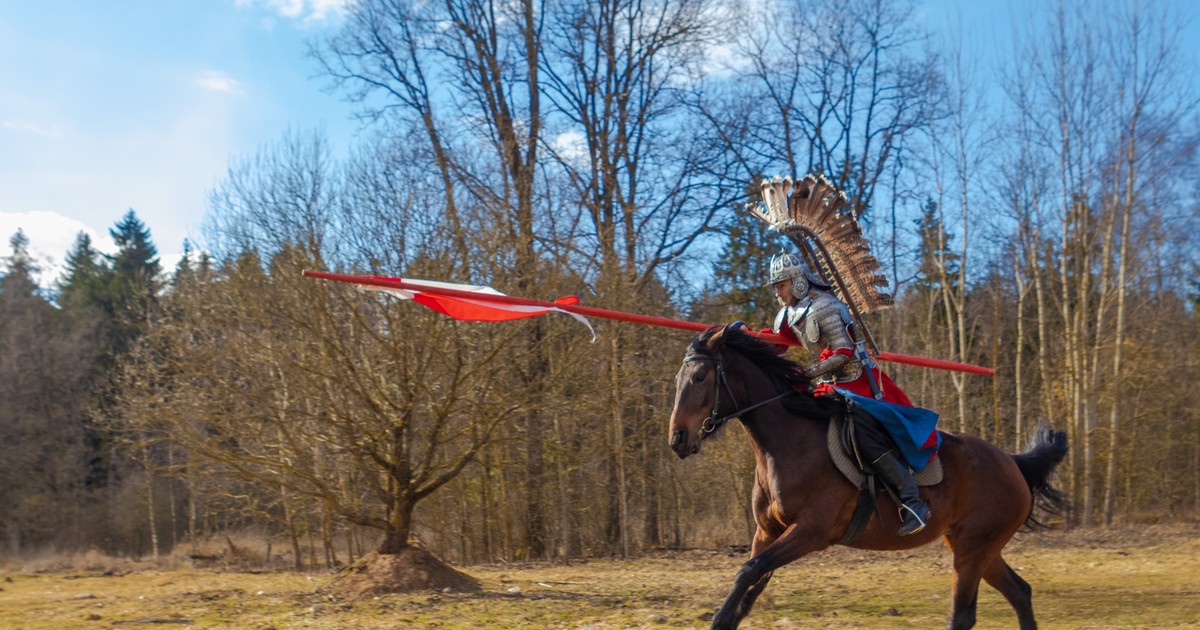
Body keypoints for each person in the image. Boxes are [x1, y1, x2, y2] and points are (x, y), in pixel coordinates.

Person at [765, 251, 932, 536]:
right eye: (776, 287)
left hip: (854, 382)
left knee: (859, 431)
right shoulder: (788, 313)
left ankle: (913, 500)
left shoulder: (827, 308)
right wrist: (742, 335)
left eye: (781, 285)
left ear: (798, 282)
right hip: (827, 385)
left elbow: (844, 352)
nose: (777, 293)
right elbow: (778, 341)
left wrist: (808, 373)